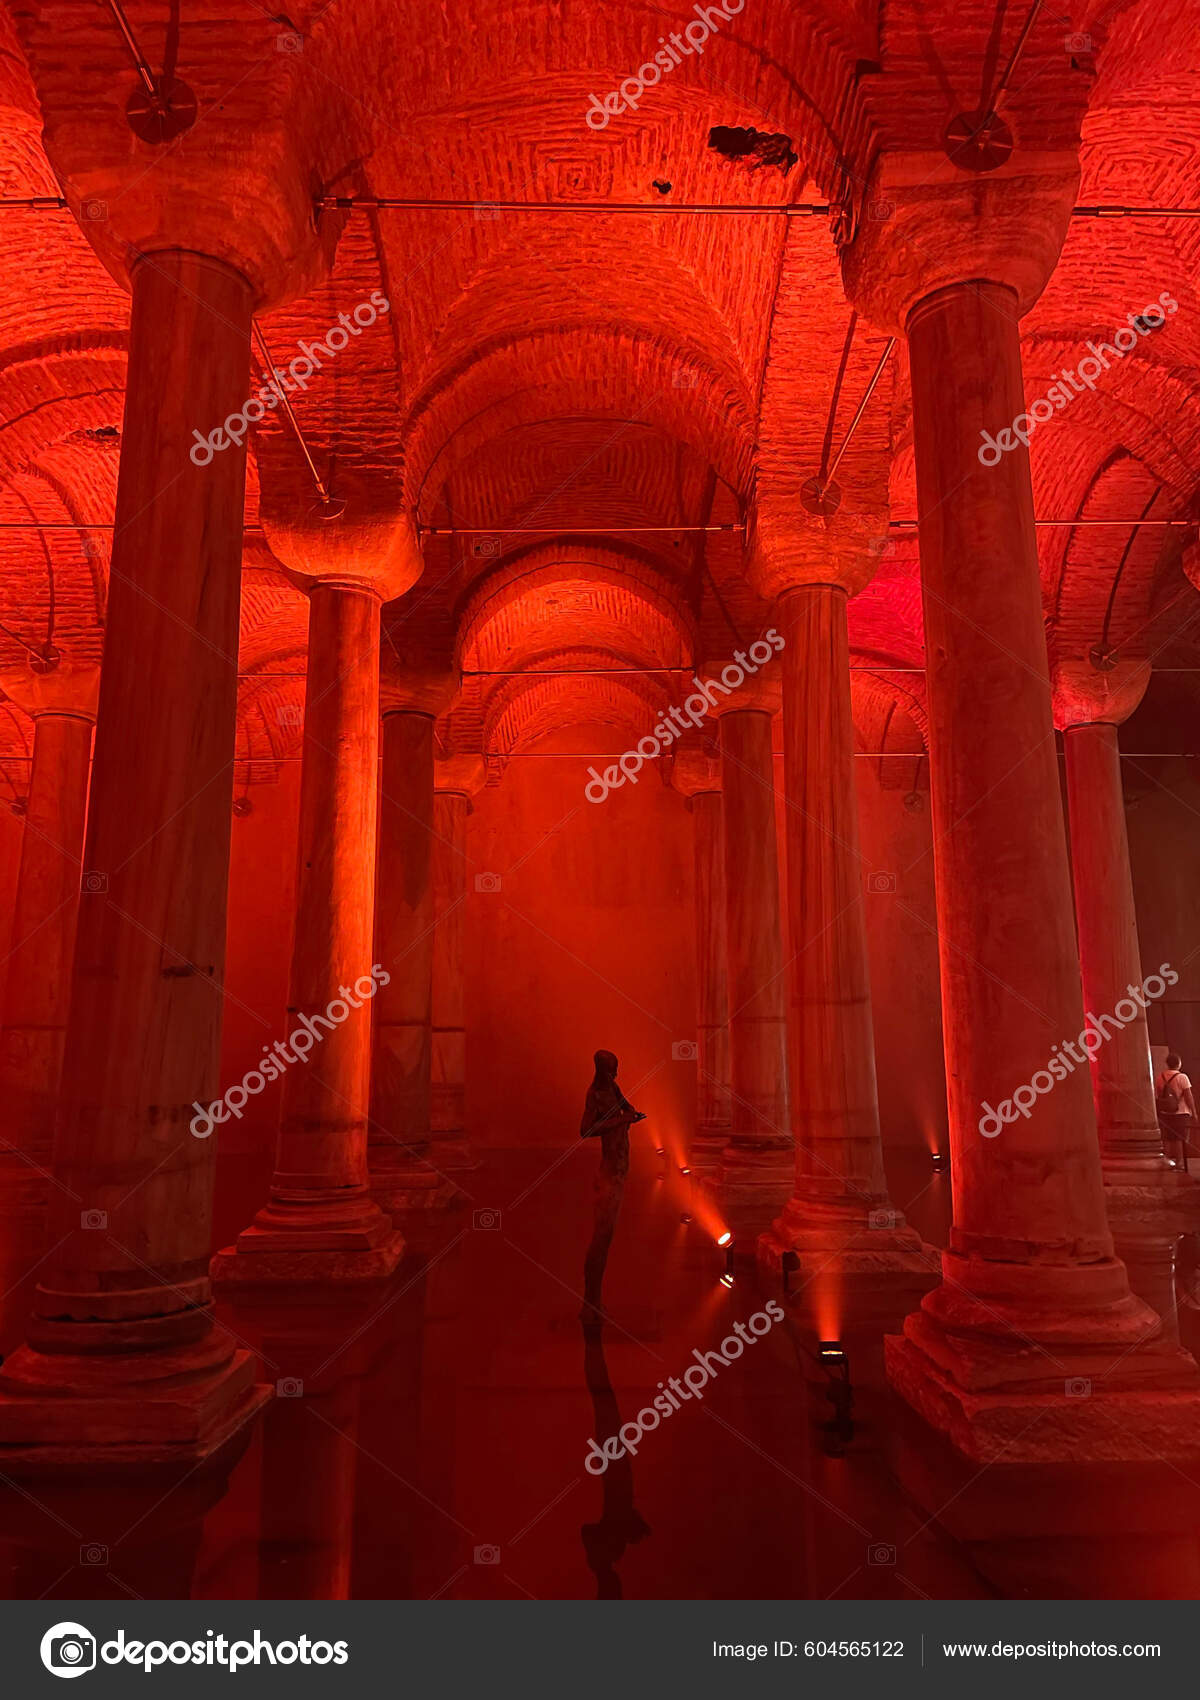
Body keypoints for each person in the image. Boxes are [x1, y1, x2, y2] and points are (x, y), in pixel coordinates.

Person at [580, 1050, 645, 1319]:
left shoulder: (613, 1087)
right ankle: (590, 1300)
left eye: (617, 1069)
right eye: (611, 1069)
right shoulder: (595, 1093)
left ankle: (594, 1299)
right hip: (609, 1172)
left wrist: (630, 1113)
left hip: (619, 1170)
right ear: (600, 1069)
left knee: (606, 1238)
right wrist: (621, 1119)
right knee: (600, 1239)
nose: (616, 1074)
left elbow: (626, 1106)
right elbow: (585, 1130)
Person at [1156, 1051, 1196, 1170]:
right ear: (1179, 1063)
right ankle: (1179, 1163)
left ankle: (1167, 1163)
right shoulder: (1182, 1077)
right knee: (1180, 1139)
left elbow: (1159, 1095)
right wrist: (1194, 1112)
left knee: (1167, 1139)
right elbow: (1188, 1096)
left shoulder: (1160, 1077)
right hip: (1180, 1113)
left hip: (1165, 1113)